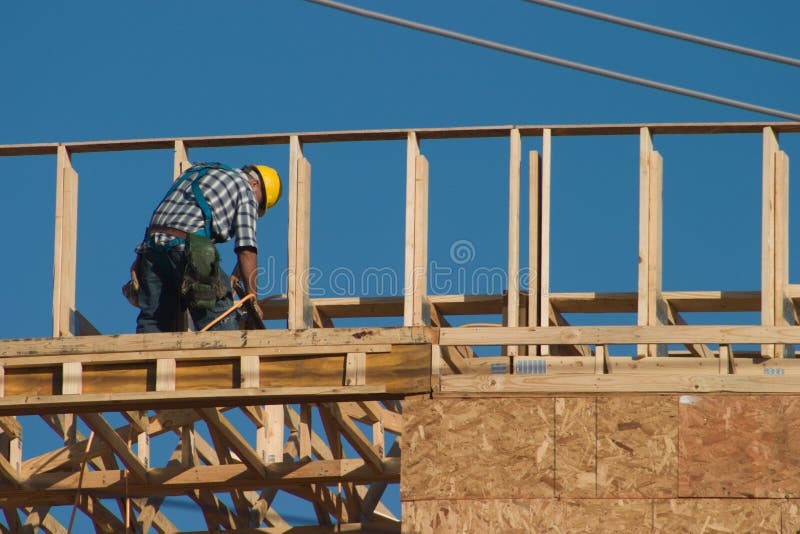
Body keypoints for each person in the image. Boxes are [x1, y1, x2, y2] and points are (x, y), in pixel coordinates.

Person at [132, 162, 281, 333]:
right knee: (222, 318)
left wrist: (140, 258)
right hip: (185, 247)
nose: (256, 210)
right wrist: (252, 298)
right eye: (260, 204)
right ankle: (226, 358)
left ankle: (149, 360)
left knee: (154, 322)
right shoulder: (246, 190)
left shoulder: (198, 172)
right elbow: (246, 248)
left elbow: (166, 218)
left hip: (150, 248)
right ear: (255, 184)